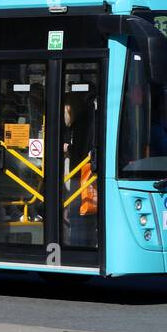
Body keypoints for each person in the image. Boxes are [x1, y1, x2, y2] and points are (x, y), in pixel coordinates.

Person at [62, 93, 98, 246]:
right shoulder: (90, 118)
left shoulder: (78, 123)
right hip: (83, 169)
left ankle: (77, 240)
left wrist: (67, 148)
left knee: (76, 207)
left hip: (78, 170)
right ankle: (83, 239)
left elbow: (78, 148)